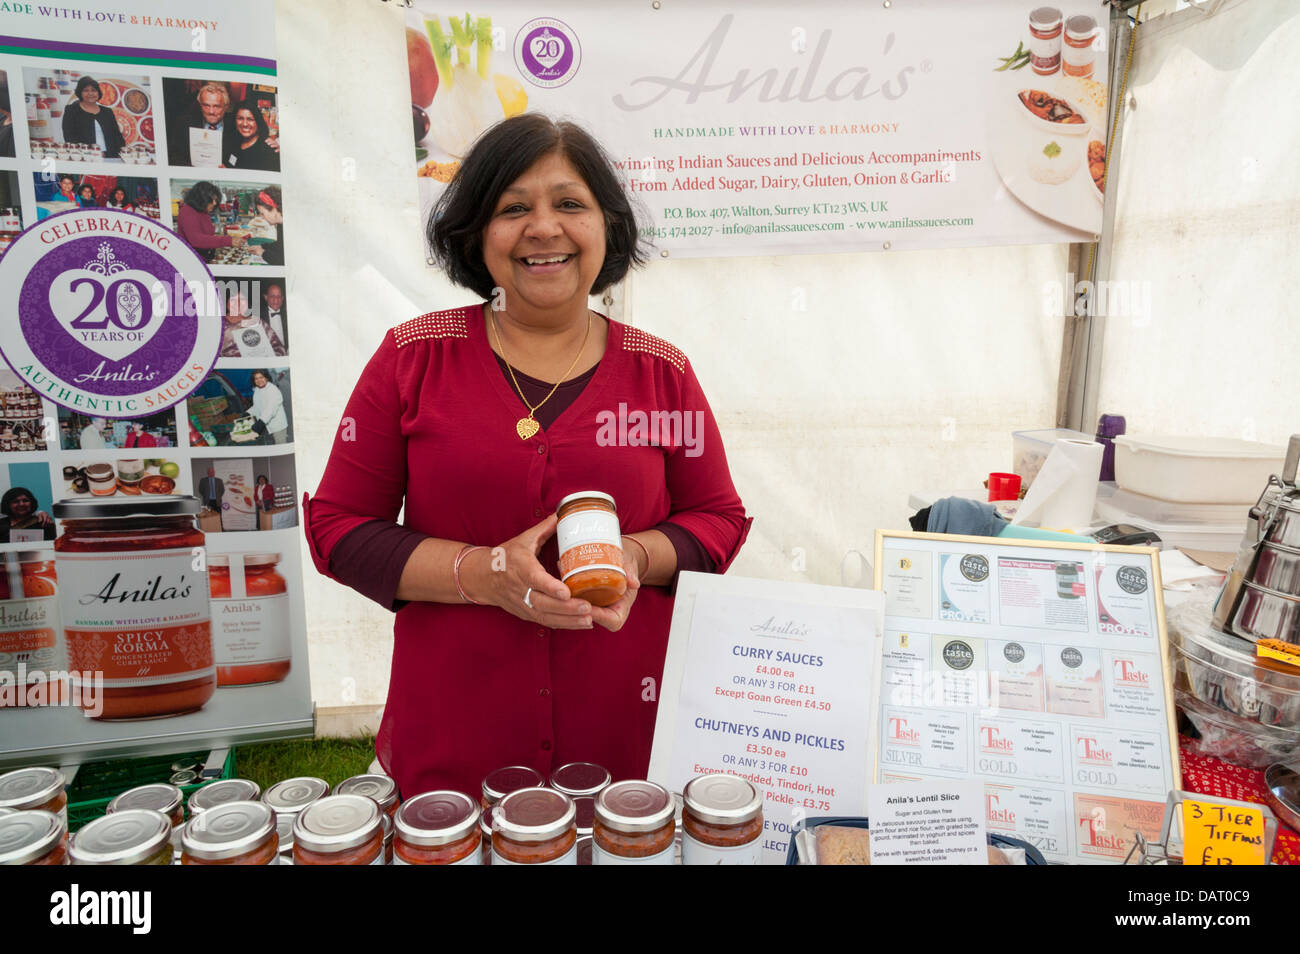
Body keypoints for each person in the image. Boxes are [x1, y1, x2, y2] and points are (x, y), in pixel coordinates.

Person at [304, 114, 751, 799]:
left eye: (570, 204)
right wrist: (478, 573)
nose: (544, 228)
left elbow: (717, 517)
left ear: (608, 226)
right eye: (514, 208)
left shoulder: (661, 373)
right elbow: (338, 528)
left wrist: (634, 556)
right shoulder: (411, 360)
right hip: (454, 744)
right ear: (477, 232)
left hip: (628, 745)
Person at [176, 181, 246, 263]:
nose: (215, 203)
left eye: (215, 200)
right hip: (189, 262)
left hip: (204, 258)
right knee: (179, 276)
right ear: (201, 198)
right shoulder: (187, 211)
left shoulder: (203, 211)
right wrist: (228, 240)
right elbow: (196, 240)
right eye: (212, 200)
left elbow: (206, 234)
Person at [61, 76, 125, 159]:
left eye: (93, 90)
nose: (90, 93)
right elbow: (69, 137)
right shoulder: (71, 110)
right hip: (84, 158)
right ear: (80, 92)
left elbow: (117, 136)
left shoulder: (107, 112)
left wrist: (122, 153)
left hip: (110, 157)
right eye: (86, 90)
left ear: (98, 93)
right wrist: (90, 153)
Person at [168, 82, 229, 167]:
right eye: (206, 105)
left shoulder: (235, 128)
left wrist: (228, 171)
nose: (211, 111)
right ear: (200, 105)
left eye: (216, 106)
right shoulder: (183, 124)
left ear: (225, 107)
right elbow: (173, 157)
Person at [220, 289, 284, 358]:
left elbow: (277, 347)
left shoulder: (257, 321)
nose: (238, 303)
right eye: (233, 300)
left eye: (242, 299)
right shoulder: (218, 325)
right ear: (226, 303)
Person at [224, 100, 279, 171]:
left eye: (250, 119)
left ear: (257, 121)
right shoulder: (233, 143)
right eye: (240, 118)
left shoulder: (268, 150)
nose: (245, 124)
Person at [250, 369, 288, 444]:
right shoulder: (257, 389)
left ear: (266, 378)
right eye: (256, 378)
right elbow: (257, 406)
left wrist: (260, 422)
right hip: (267, 425)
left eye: (261, 377)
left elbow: (270, 409)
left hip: (277, 426)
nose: (259, 380)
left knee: (280, 447)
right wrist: (248, 412)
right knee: (272, 446)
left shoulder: (273, 390)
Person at [253, 186, 283, 266]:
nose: (262, 217)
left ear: (274, 209)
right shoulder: (280, 225)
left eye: (262, 213)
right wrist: (262, 245)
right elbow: (279, 246)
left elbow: (282, 260)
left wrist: (262, 252)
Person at [262, 282, 287, 347]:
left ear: (282, 298)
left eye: (278, 296)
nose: (276, 300)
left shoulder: (289, 315)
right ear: (266, 297)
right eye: (272, 296)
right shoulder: (259, 317)